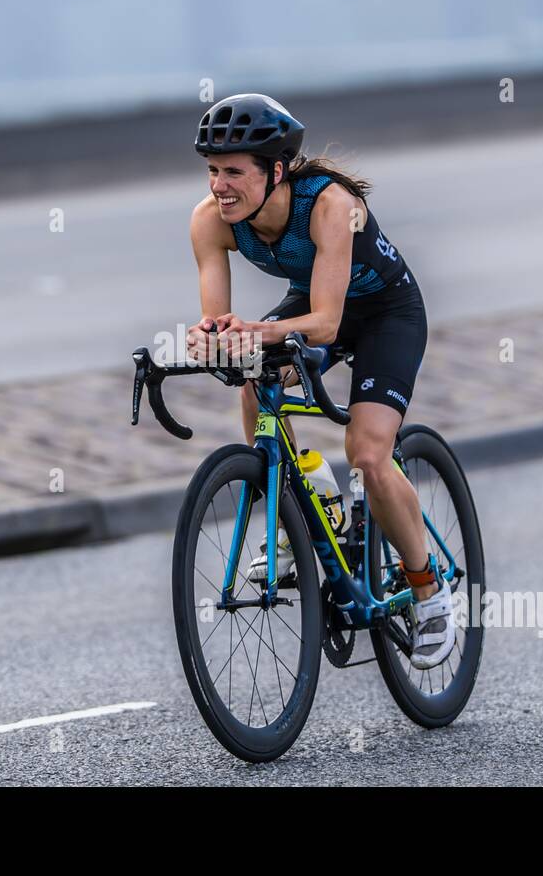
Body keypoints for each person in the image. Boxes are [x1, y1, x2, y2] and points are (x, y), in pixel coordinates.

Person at [185, 93, 454, 670]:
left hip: (383, 312)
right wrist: (210, 338)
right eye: (212, 170)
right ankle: (297, 507)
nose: (219, 186)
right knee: (253, 379)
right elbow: (221, 321)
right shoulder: (210, 221)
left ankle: (428, 589)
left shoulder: (331, 205)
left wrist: (256, 329)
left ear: (276, 171)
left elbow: (328, 323)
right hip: (315, 303)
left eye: (233, 172)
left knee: (368, 454)